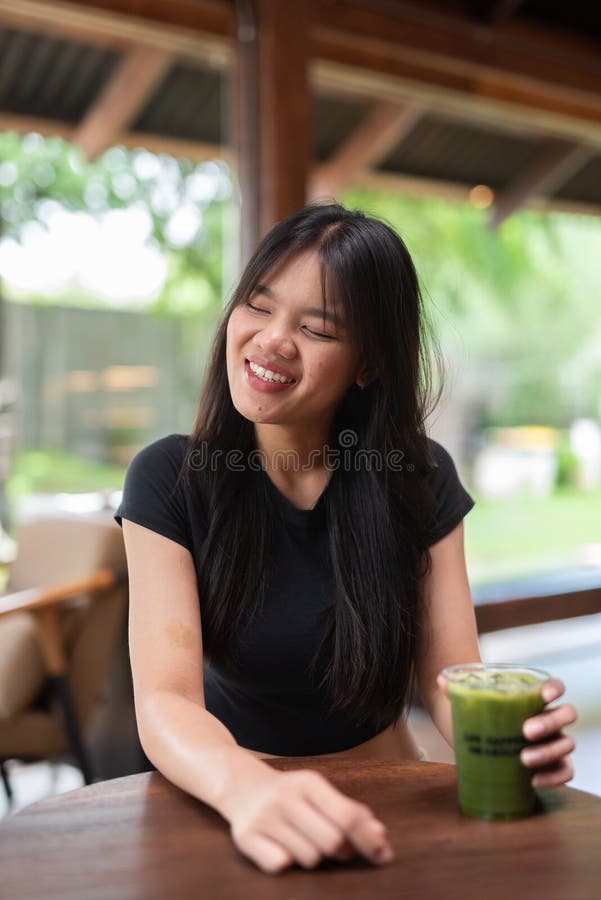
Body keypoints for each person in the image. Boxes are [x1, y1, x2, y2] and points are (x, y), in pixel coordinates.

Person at [115, 202, 577, 875]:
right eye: (258, 305)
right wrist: (248, 791)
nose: (272, 339)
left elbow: (451, 674)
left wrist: (508, 741)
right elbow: (165, 699)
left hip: (388, 798)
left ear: (368, 364)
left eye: (315, 328)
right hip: (229, 804)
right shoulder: (168, 478)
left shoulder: (416, 477)